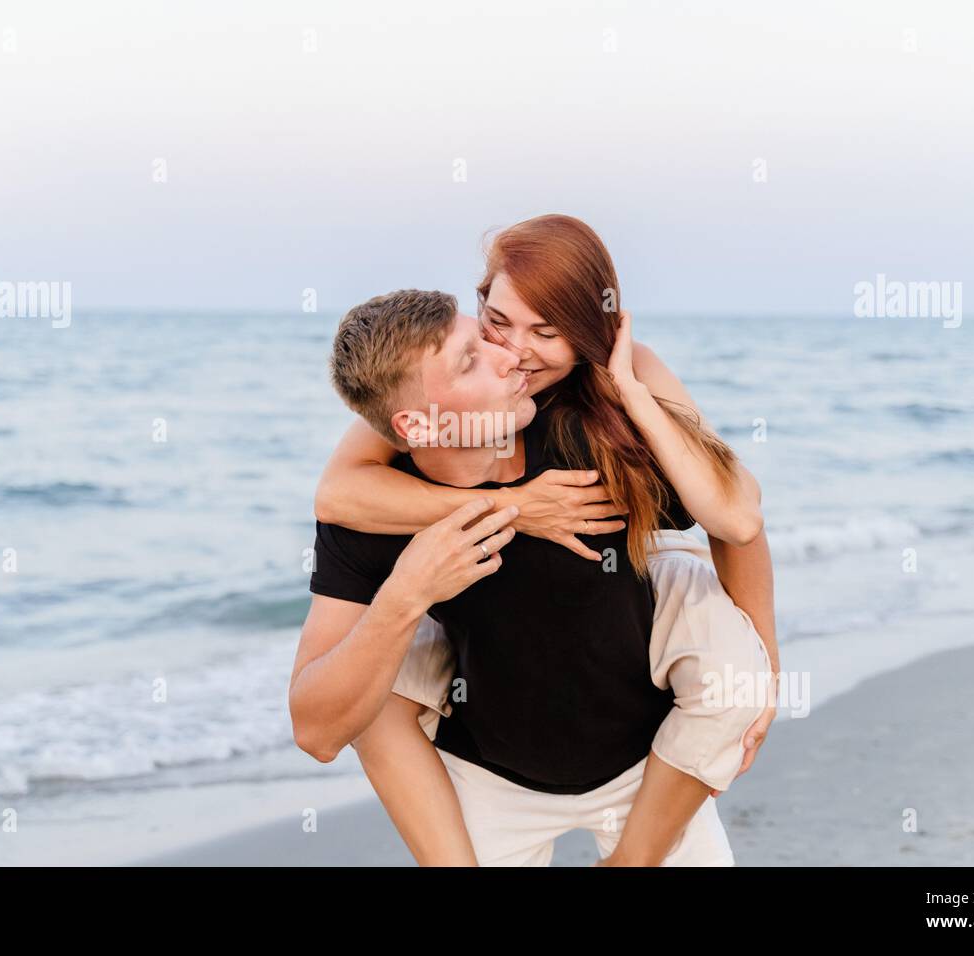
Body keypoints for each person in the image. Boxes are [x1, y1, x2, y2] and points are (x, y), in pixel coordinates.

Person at [292, 217, 779, 865]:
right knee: (378, 672)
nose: (514, 353)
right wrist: (473, 537)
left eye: (546, 333)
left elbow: (735, 520)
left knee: (692, 595)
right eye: (493, 327)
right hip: (491, 769)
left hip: (639, 755)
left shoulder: (600, 418)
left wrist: (764, 672)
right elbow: (342, 491)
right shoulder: (399, 457)